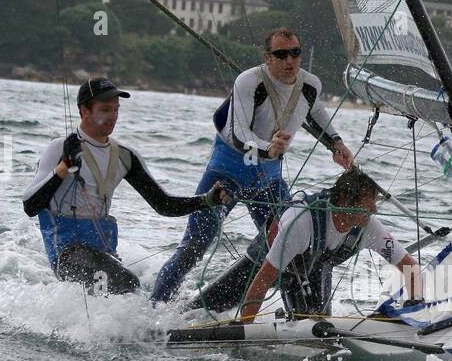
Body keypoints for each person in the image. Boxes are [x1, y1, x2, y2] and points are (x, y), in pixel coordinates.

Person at [149, 28, 354, 304]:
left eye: (295, 53)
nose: (289, 60)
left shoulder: (310, 85)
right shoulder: (249, 81)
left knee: (289, 244)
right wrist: (267, 148)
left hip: (268, 179)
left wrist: (337, 145)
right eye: (281, 54)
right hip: (227, 172)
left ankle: (294, 314)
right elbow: (237, 132)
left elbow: (317, 115)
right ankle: (154, 309)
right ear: (267, 57)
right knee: (195, 247)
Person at [22, 77, 227, 294]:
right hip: (66, 253)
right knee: (126, 284)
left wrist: (206, 200)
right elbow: (30, 206)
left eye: (116, 110)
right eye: (105, 109)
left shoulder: (125, 156)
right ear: (84, 111)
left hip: (103, 252)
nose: (112, 117)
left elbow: (163, 204)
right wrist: (63, 167)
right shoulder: (59, 147)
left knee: (129, 288)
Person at [235, 168, 422, 321]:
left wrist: (414, 305)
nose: (374, 209)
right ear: (345, 202)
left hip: (310, 272)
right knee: (211, 307)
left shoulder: (369, 227)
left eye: (374, 202)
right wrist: (245, 331)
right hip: (261, 261)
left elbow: (410, 267)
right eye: (368, 203)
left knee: (322, 330)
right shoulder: (301, 222)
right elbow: (264, 280)